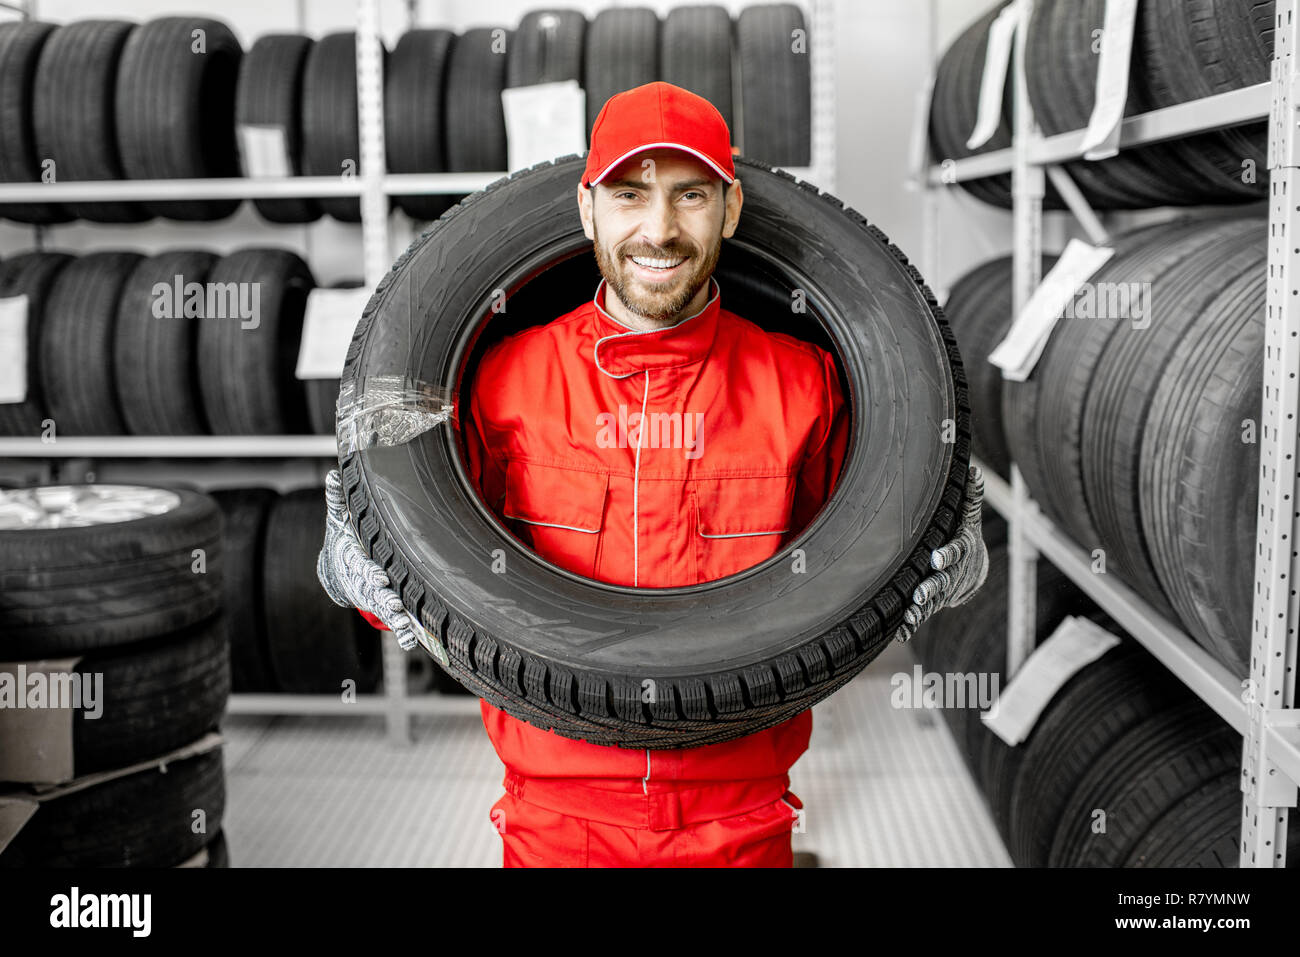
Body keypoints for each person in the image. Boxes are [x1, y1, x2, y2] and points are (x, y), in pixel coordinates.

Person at [318, 81, 988, 868]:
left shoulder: (804, 386)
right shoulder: (503, 383)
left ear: (731, 210)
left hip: (741, 817)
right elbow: (438, 570)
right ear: (586, 208)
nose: (659, 229)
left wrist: (943, 541)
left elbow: (857, 572)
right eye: (629, 194)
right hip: (554, 819)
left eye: (691, 194)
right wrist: (357, 562)